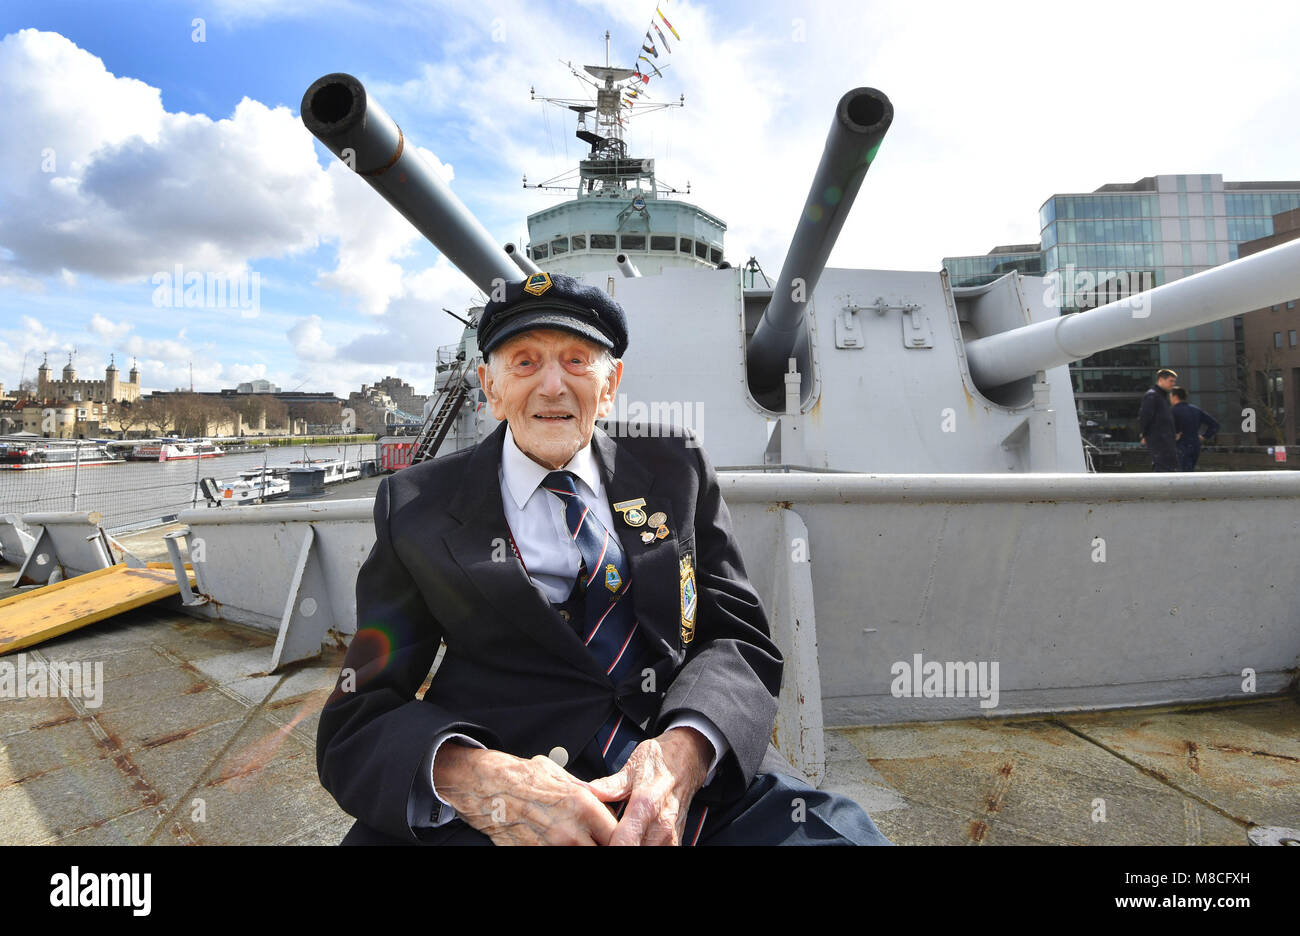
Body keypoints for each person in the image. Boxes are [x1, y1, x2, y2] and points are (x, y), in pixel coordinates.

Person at [316, 270, 891, 846]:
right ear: (490, 389)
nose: (551, 387)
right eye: (524, 363)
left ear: (610, 383)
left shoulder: (677, 467)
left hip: (692, 791)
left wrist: (684, 754)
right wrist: (484, 781)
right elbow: (359, 712)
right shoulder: (417, 505)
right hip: (502, 810)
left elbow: (736, 638)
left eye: (576, 361)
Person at [1138, 368, 1179, 472]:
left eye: (1174, 381)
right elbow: (1145, 416)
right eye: (1171, 381)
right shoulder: (1153, 395)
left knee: (1165, 467)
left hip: (1163, 439)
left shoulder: (1159, 396)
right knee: (1164, 467)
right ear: (1161, 380)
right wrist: (1144, 434)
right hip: (1160, 440)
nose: (1173, 384)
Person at [1170, 387, 1219, 472]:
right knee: (1189, 471)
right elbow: (1215, 425)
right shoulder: (1196, 410)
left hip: (1180, 445)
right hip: (1195, 444)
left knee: (1180, 474)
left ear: (1175, 397)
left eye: (1170, 396)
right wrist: (1204, 436)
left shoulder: (1172, 411)